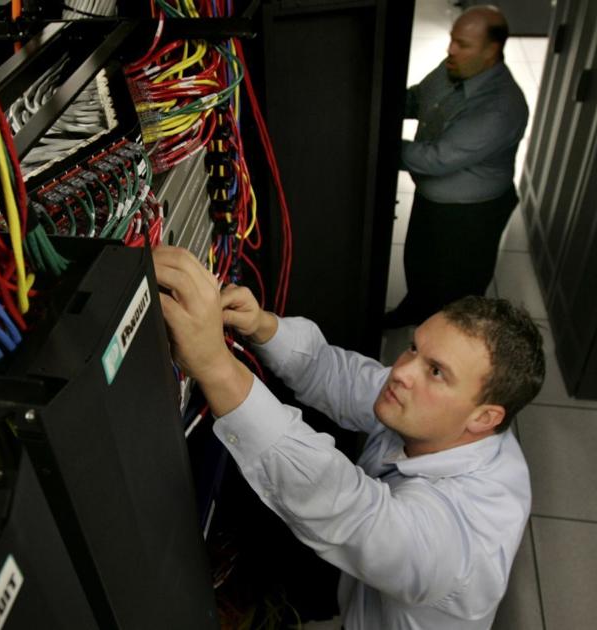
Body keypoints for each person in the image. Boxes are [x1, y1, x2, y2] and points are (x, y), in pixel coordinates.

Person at [153, 245, 545, 629]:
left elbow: (347, 509)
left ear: (484, 417)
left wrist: (215, 367)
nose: (402, 372)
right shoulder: (450, 417)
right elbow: (340, 376)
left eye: (437, 372)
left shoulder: (459, 545)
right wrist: (262, 326)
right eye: (413, 348)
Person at [387, 5, 529, 329]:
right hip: (434, 201)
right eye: (453, 39)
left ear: (492, 50)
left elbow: (436, 158)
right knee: (420, 264)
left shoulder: (500, 108)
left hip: (469, 215)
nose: (451, 49)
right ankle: (414, 310)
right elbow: (419, 98)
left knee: (455, 291)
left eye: (462, 44)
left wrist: (376, 145)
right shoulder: (456, 66)